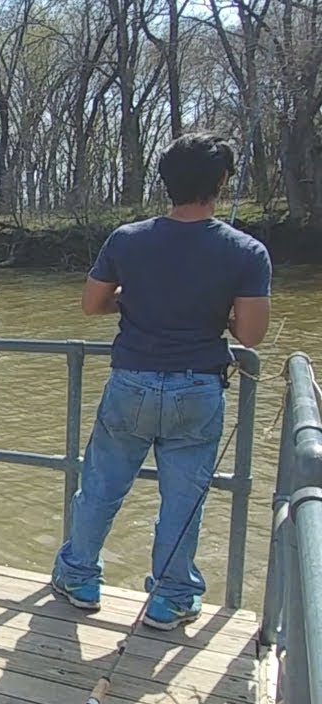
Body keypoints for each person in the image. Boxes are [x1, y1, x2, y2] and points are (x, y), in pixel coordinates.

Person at [51, 132, 272, 631]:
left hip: (131, 383)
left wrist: (129, 300)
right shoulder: (247, 252)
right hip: (198, 389)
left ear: (165, 180)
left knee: (100, 488)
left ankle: (80, 578)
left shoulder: (126, 239)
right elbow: (252, 334)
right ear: (220, 182)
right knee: (183, 500)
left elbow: (92, 305)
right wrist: (222, 314)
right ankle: (170, 599)